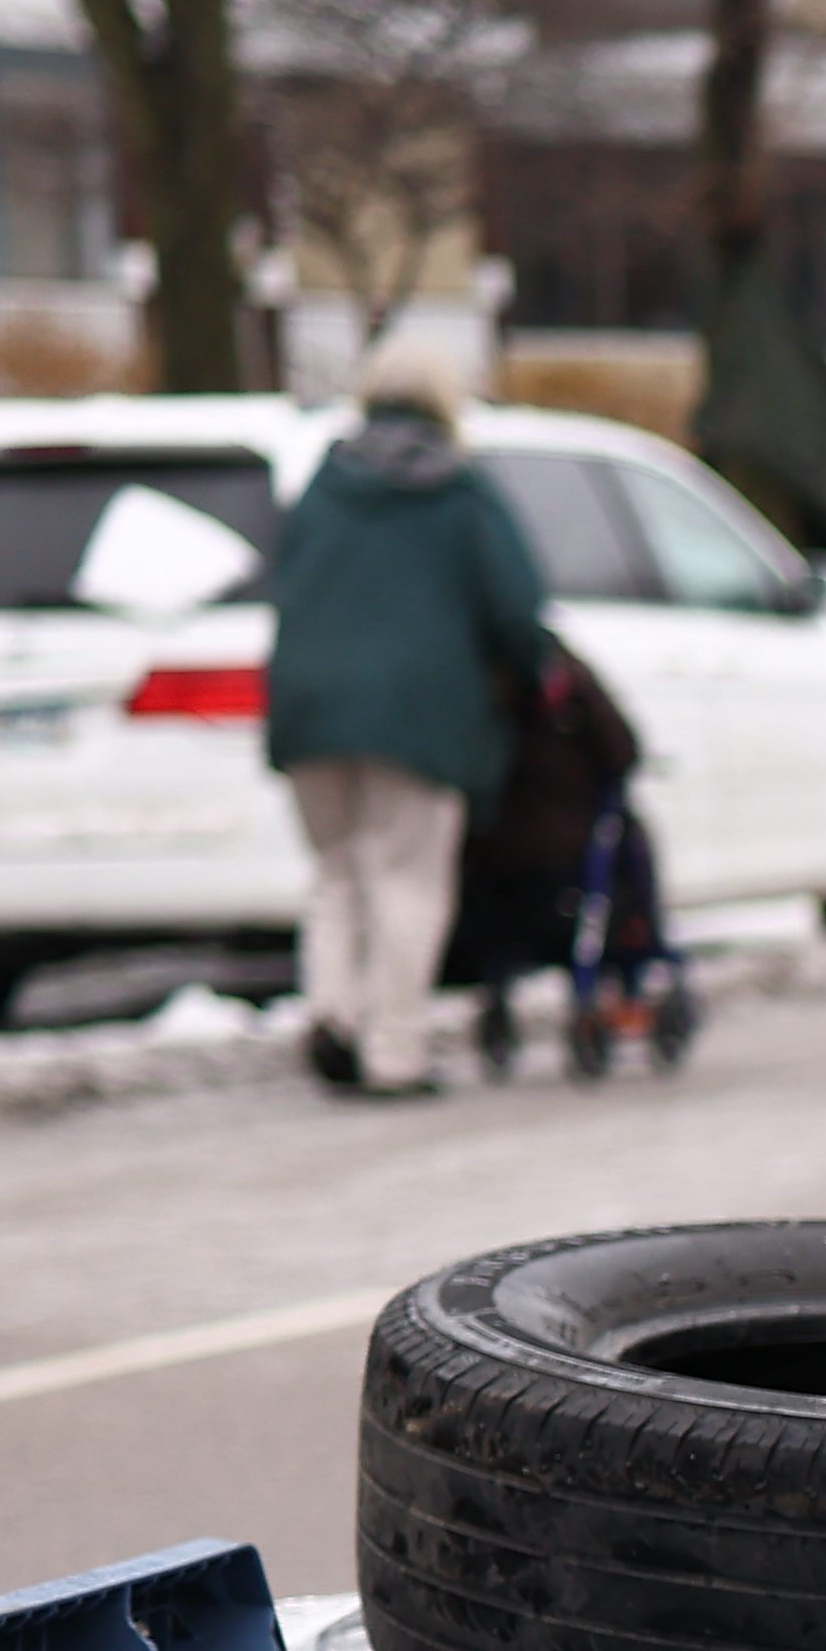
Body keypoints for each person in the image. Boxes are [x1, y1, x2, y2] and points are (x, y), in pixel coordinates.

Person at [252, 326, 548, 1102]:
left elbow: (283, 578)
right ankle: (394, 1051)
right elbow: (517, 607)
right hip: (419, 715)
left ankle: (332, 1015)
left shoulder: (324, 482)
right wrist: (531, 676)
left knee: (335, 872)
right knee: (407, 878)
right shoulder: (458, 492)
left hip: (309, 704)